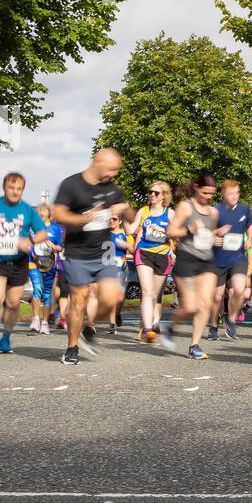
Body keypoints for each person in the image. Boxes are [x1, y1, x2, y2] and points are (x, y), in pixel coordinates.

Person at [51, 147, 136, 365]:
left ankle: (88, 329)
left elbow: (131, 219)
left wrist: (125, 209)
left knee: (112, 299)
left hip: (104, 250)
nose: (114, 174)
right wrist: (83, 219)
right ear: (97, 162)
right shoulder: (72, 185)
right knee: (78, 301)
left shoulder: (112, 190)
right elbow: (57, 213)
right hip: (78, 252)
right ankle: (72, 347)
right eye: (112, 169)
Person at [0, 172, 50, 355]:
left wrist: (29, 241)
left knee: (13, 303)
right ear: (4, 188)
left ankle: (6, 337)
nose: (15, 192)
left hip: (19, 261)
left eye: (19, 189)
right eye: (11, 188)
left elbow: (43, 233)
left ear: (23, 190)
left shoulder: (28, 210)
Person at [161, 173, 220, 360]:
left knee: (205, 303)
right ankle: (170, 328)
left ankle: (194, 345)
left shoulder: (213, 212)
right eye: (205, 192)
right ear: (196, 187)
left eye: (212, 193)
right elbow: (171, 232)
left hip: (206, 260)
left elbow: (208, 234)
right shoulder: (185, 207)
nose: (209, 197)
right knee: (190, 306)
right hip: (187, 258)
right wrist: (188, 230)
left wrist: (215, 238)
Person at [129, 181, 175, 343]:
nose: (152, 195)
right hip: (144, 253)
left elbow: (176, 234)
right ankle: (148, 329)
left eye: (156, 193)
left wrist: (162, 230)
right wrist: (124, 217)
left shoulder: (170, 213)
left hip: (163, 256)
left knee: (155, 295)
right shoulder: (143, 210)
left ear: (164, 196)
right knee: (147, 292)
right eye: (150, 192)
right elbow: (132, 229)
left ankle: (152, 322)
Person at [210, 180, 252, 341]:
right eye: (231, 193)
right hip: (218, 259)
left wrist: (249, 238)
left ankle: (231, 320)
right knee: (216, 297)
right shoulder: (216, 210)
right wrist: (215, 236)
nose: (234, 196)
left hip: (238, 258)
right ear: (223, 194)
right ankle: (213, 326)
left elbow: (250, 225)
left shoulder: (245, 209)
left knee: (239, 289)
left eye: (237, 193)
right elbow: (206, 232)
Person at [28, 204, 59, 335]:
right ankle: (35, 319)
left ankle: (45, 322)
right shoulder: (32, 228)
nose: (40, 212)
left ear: (48, 213)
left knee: (47, 293)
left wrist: (53, 246)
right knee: (37, 288)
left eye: (43, 210)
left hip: (49, 263)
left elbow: (60, 247)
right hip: (33, 262)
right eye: (38, 211)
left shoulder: (55, 229)